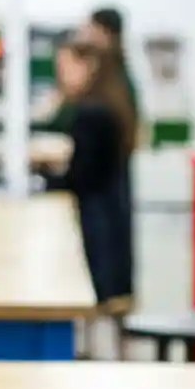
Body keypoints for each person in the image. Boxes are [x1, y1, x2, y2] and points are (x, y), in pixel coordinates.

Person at [36, 38, 137, 356]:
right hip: (112, 212)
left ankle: (90, 357)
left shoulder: (91, 112)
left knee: (96, 297)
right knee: (109, 305)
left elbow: (82, 175)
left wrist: (47, 175)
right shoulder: (112, 103)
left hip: (97, 219)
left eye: (65, 68)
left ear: (87, 66)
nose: (62, 77)